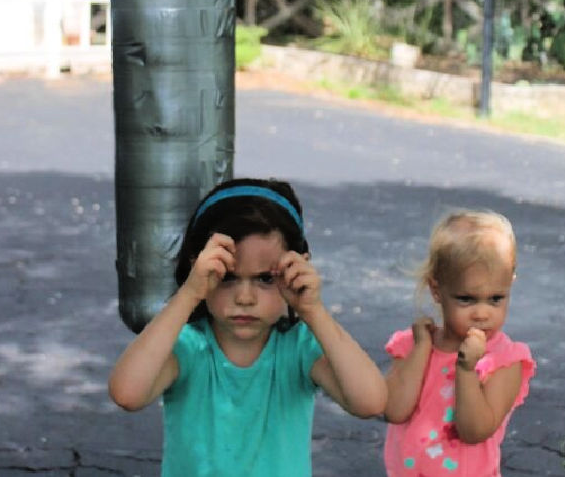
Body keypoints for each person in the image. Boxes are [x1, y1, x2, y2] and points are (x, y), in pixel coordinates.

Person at [108, 177, 387, 477]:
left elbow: (370, 402)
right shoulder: (187, 347)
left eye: (266, 278)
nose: (244, 298)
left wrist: (313, 311)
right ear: (198, 270)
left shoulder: (299, 347)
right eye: (226, 277)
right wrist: (188, 295)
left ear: (297, 269)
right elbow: (127, 393)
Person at [383, 209, 535, 477]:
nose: (482, 313)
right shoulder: (412, 345)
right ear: (437, 290)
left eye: (496, 298)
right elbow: (394, 410)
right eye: (466, 299)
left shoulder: (504, 360)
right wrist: (421, 349)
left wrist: (466, 370)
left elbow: (474, 431)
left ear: (510, 285)